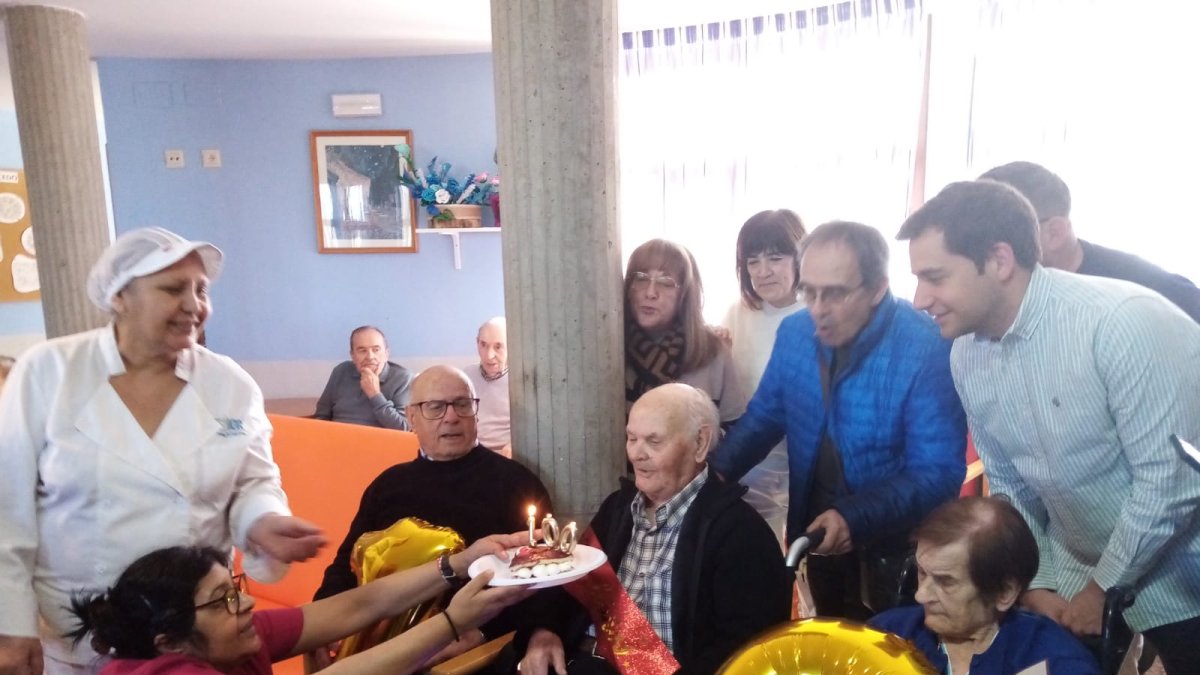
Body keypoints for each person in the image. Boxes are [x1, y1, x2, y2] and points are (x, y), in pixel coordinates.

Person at [898, 179, 1200, 675]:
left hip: (1181, 594)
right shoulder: (966, 354)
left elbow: (1172, 482)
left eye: (935, 277)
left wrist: (1102, 587)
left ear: (999, 260)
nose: (919, 299)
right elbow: (1012, 483)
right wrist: (1038, 583)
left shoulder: (1121, 322)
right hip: (1074, 594)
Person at [0, 227, 325, 675]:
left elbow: (254, 481)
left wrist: (263, 520)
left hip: (194, 641)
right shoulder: (50, 372)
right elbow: (6, 509)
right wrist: (10, 626)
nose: (194, 306)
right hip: (79, 636)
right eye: (173, 289)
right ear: (120, 298)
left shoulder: (228, 384)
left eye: (201, 290)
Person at [709, 221, 966, 620]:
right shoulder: (795, 332)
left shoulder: (927, 347)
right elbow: (764, 418)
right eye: (808, 292)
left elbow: (937, 472)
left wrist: (854, 516)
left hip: (898, 550)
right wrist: (713, 477)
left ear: (878, 287)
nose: (817, 309)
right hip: (816, 532)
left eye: (835, 294)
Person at [515, 383, 791, 675]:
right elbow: (570, 583)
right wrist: (543, 631)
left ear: (700, 443)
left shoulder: (741, 533)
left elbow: (747, 649)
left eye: (653, 442)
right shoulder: (617, 509)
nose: (636, 454)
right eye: (631, 438)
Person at [314, 365, 552, 663]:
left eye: (462, 404)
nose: (451, 416)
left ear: (475, 413)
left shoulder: (517, 484)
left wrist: (481, 635)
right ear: (411, 417)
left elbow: (542, 581)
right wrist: (323, 625)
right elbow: (346, 565)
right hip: (376, 643)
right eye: (435, 407)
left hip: (462, 651)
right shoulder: (388, 485)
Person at [67, 540, 532, 675]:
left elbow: (356, 606)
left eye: (235, 587)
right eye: (224, 601)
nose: (245, 602)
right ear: (168, 641)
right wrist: (453, 622)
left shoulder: (232, 637)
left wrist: (457, 564)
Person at [870, 497, 1100, 674]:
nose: (921, 595)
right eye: (921, 573)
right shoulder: (886, 636)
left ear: (1004, 593)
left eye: (945, 581)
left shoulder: (1057, 664)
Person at [979, 161, 1200, 322]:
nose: (977, 252)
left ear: (1054, 233)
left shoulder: (1150, 292)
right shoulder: (993, 300)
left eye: (992, 237)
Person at [718, 209, 807, 542]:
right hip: (754, 446)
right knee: (757, 535)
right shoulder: (737, 312)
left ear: (800, 256)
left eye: (775, 258)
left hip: (807, 445)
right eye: (752, 261)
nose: (763, 272)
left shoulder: (817, 312)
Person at [624, 239, 745, 425]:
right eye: (641, 278)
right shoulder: (611, 347)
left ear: (685, 294)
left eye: (665, 282)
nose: (650, 292)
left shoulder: (712, 349)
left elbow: (735, 427)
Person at [313, 326, 414, 430]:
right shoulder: (341, 371)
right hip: (337, 439)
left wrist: (375, 395)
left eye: (376, 350)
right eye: (362, 351)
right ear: (352, 355)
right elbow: (322, 415)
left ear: (386, 354)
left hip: (379, 442)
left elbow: (403, 427)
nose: (370, 356)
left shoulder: (403, 378)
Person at [465, 317, 511, 457]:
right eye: (483, 344)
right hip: (470, 454)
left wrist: (514, 445)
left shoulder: (523, 381)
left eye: (498, 347)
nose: (489, 355)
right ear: (476, 343)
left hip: (504, 456)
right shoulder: (465, 376)